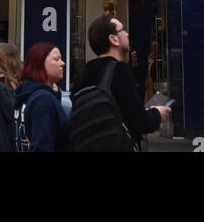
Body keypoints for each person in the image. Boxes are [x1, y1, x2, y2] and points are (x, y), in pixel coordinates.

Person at [70, 14, 170, 152]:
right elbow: (139, 123)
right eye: (123, 30)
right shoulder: (119, 71)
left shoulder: (82, 75)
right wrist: (157, 114)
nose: (127, 34)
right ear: (114, 39)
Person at [13, 41, 68, 152]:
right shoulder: (43, 100)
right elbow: (43, 145)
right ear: (40, 64)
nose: (63, 63)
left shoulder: (26, 94)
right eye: (56, 59)